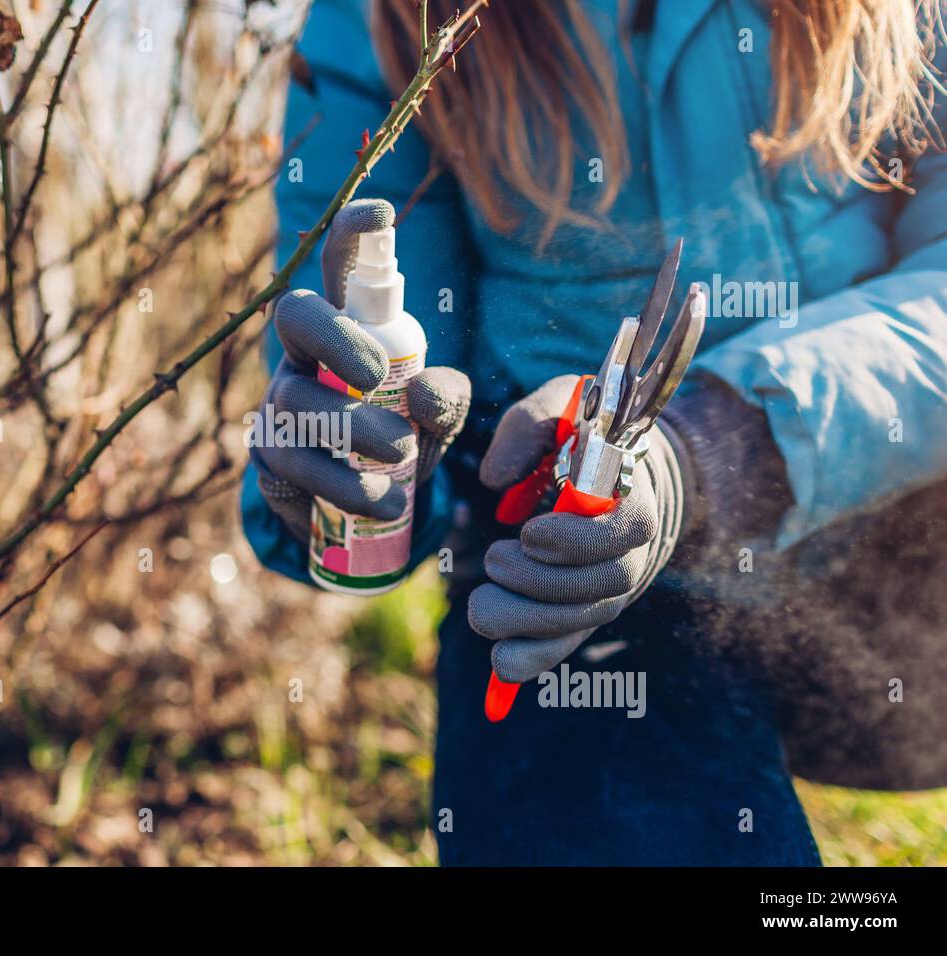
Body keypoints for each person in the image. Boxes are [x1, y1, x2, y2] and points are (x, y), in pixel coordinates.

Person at [242, 0, 947, 864]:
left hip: (913, 530)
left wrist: (719, 446)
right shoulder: (379, 18)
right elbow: (391, 344)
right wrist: (342, 473)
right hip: (577, 566)